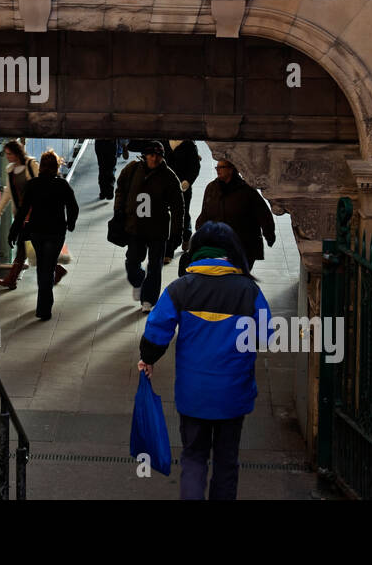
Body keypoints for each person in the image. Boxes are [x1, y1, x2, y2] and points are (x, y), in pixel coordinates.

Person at [137, 221, 272, 500]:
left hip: (193, 393)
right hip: (233, 394)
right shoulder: (248, 291)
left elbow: (158, 328)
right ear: (231, 253)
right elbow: (268, 333)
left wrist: (148, 359)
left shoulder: (180, 289)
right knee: (226, 462)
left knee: (194, 458)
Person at [115, 140, 183, 312]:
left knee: (155, 266)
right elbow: (121, 189)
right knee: (132, 262)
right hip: (135, 227)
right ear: (145, 155)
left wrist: (176, 233)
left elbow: (178, 207)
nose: (155, 159)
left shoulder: (169, 177)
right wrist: (119, 211)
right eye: (151, 155)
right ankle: (138, 281)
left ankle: (149, 300)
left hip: (157, 230)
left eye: (158, 155)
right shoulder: (132, 169)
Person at [13, 149, 79, 320]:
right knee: (47, 268)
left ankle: (43, 306)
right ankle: (44, 308)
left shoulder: (33, 184)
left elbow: (23, 210)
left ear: (41, 166)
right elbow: (73, 207)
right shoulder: (62, 185)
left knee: (43, 267)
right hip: (56, 233)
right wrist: (70, 224)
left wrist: (14, 231)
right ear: (57, 167)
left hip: (36, 232)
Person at [195, 158, 276, 272]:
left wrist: (269, 234)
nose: (218, 170)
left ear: (231, 170)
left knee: (240, 276)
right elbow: (205, 211)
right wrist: (200, 229)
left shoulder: (247, 190)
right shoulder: (212, 188)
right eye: (217, 167)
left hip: (243, 244)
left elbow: (263, 213)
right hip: (219, 244)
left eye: (221, 167)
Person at [0, 139, 38, 289]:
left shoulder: (31, 165)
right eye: (6, 154)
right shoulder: (10, 169)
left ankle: (11, 279)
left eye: (9, 154)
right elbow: (8, 192)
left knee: (23, 246)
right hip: (20, 214)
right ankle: (57, 270)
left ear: (17, 153)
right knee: (31, 246)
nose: (7, 157)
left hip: (34, 214)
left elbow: (40, 187)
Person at [166, 139, 202, 255]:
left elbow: (195, 166)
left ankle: (186, 235)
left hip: (183, 186)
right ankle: (168, 250)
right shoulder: (163, 141)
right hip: (166, 186)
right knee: (166, 217)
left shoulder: (188, 144)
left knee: (183, 213)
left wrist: (187, 181)